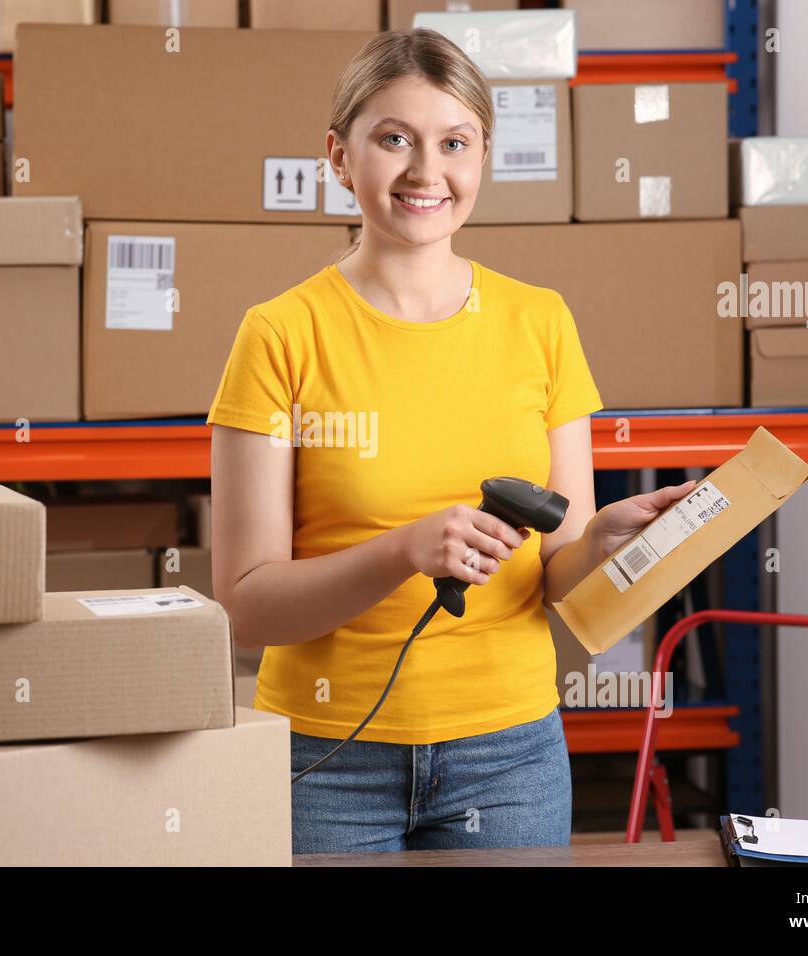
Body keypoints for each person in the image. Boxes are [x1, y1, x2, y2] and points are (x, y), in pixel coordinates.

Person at [205, 28, 698, 855]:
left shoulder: (539, 322)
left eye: (454, 143)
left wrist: (601, 545)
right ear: (338, 156)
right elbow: (248, 608)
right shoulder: (280, 336)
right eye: (393, 138)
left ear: (483, 158)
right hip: (325, 756)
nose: (425, 172)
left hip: (508, 755)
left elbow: (554, 576)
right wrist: (404, 551)